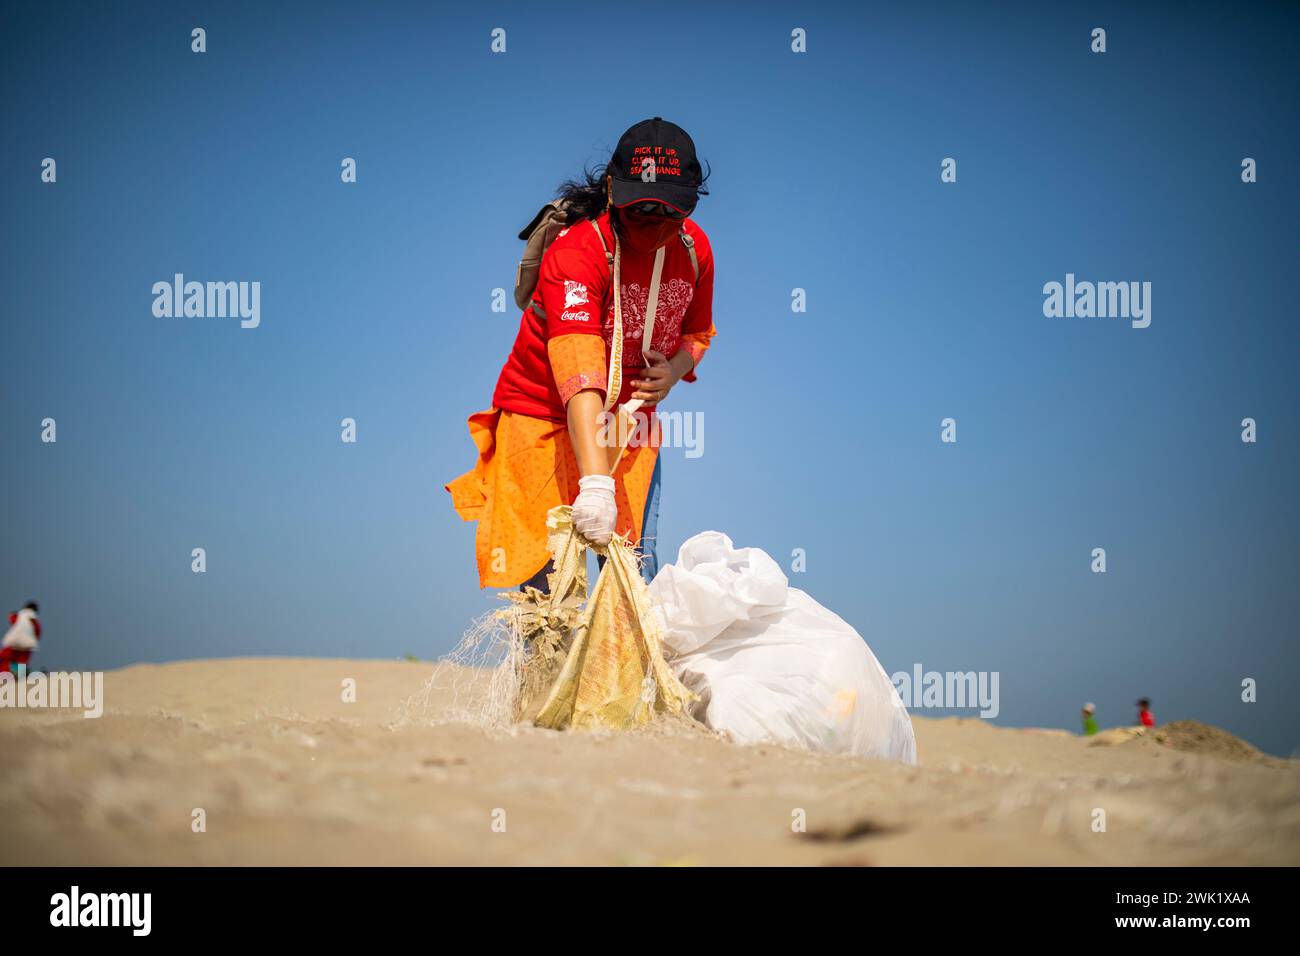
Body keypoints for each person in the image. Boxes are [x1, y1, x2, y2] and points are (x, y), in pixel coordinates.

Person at [447, 118, 716, 591]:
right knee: (547, 580)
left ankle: (631, 668)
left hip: (628, 420)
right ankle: (546, 667)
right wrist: (595, 486)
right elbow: (580, 372)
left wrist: (673, 371)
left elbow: (698, 333)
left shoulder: (695, 251)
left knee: (631, 571)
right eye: (640, 214)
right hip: (542, 416)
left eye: (668, 216)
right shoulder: (578, 250)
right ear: (612, 190)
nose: (653, 231)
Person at [1, 601, 41, 677]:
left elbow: (12, 619)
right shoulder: (35, 621)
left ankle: (4, 675)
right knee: (22, 662)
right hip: (27, 644)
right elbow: (38, 631)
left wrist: (11, 615)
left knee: (5, 659)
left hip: (14, 641)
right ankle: (20, 677)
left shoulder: (20, 615)